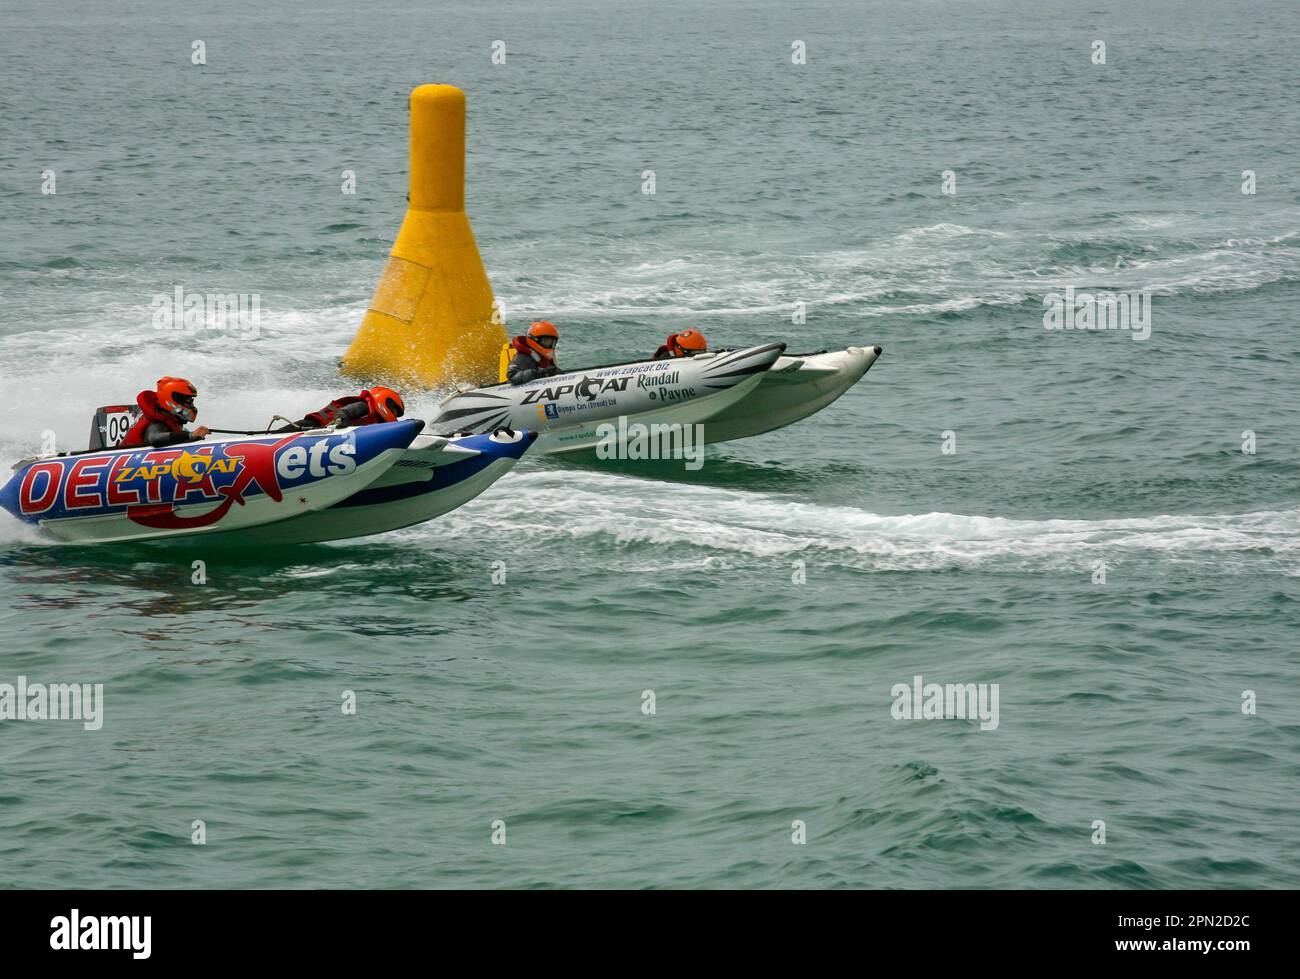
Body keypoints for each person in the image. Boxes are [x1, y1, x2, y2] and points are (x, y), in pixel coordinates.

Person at [118, 377, 210, 448]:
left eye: (192, 401)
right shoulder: (156, 424)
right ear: (172, 401)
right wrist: (190, 435)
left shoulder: (166, 417)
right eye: (188, 401)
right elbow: (155, 439)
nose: (192, 406)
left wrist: (192, 437)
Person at [285, 386, 405, 430]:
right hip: (308, 426)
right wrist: (341, 418)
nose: (394, 414)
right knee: (270, 436)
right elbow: (344, 411)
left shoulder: (379, 423)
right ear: (386, 401)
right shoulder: (365, 406)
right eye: (394, 409)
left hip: (318, 433)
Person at [506, 321, 561, 385]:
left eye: (551, 342)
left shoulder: (544, 357)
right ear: (535, 339)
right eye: (546, 341)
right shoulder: (523, 357)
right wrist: (539, 374)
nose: (549, 344)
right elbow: (512, 376)